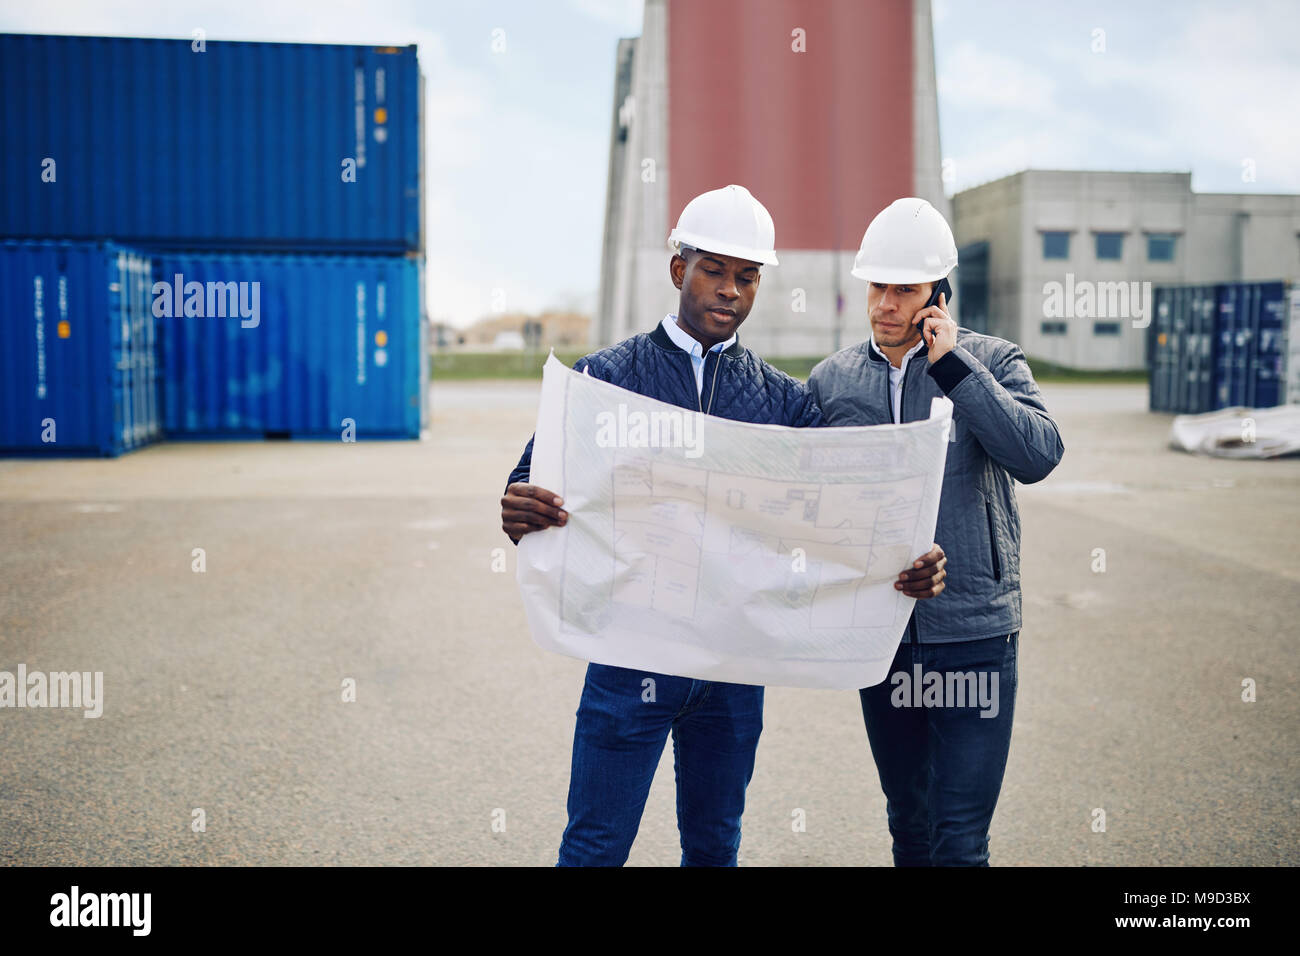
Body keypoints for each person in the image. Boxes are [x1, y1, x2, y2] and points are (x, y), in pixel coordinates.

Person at [501, 185, 948, 866]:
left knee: (714, 847)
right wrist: (516, 504)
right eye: (714, 270)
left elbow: (845, 514)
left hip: (734, 667)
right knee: (594, 845)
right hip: (631, 658)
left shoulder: (782, 402)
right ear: (679, 269)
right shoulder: (607, 380)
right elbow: (535, 483)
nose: (729, 291)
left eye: (747, 277)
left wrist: (906, 559)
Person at [808, 197, 1065, 866]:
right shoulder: (832, 382)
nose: (886, 304)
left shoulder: (995, 362)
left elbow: (1037, 456)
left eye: (905, 289)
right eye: (878, 287)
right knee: (910, 825)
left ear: (937, 296)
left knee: (959, 841)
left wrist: (955, 367)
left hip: (974, 636)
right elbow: (809, 500)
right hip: (883, 638)